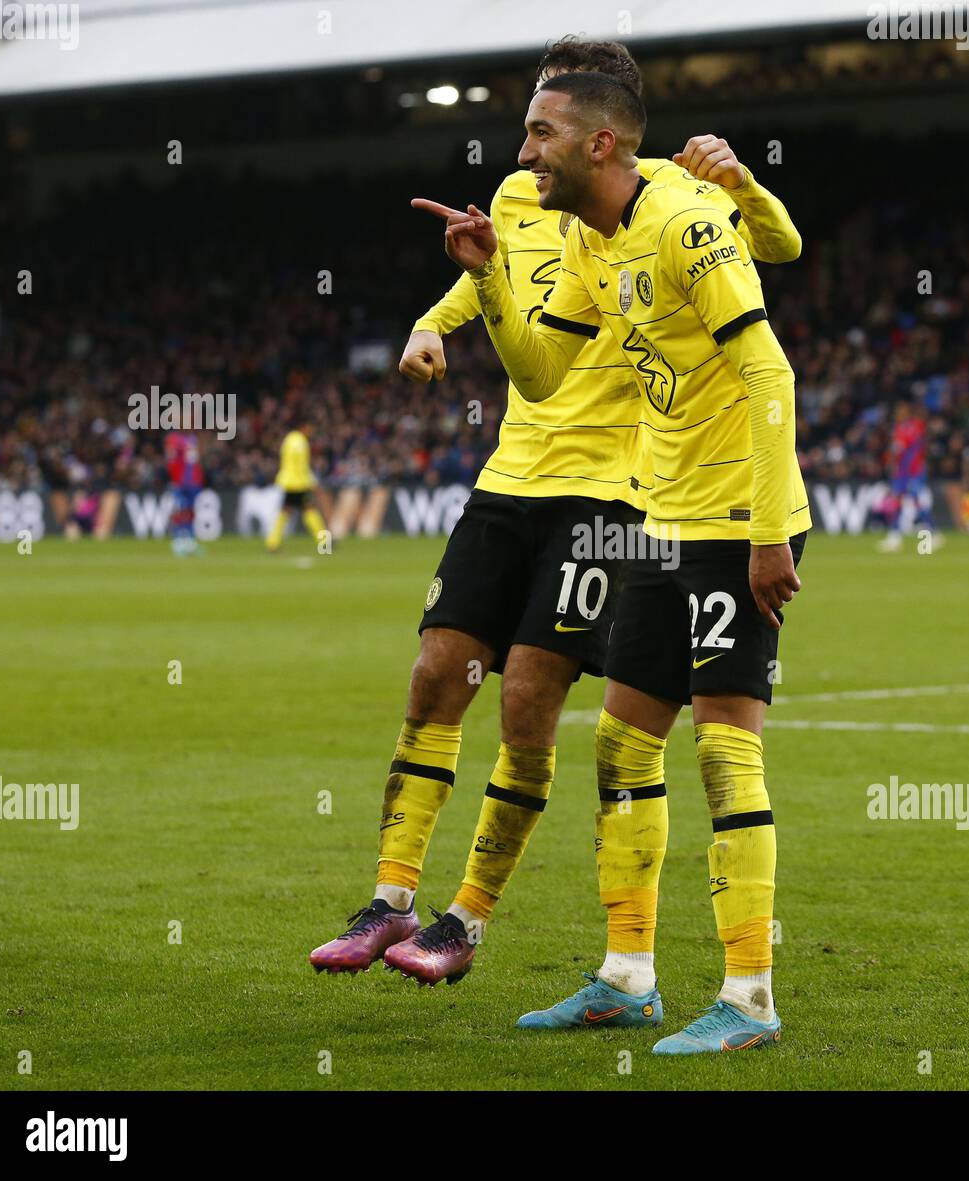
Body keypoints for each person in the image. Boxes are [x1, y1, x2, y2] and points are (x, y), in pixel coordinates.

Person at [309, 37, 801, 985]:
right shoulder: (539, 207)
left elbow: (775, 260)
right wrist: (455, 301)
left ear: (602, 137)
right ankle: (399, 899)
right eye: (527, 125)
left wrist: (742, 182)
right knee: (438, 675)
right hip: (516, 477)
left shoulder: (671, 200)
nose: (525, 147)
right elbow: (531, 359)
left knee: (538, 698)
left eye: (542, 127)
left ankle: (470, 920)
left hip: (624, 491)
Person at [878, 401, 941, 551]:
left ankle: (935, 532)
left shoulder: (915, 426)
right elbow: (897, 451)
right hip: (901, 472)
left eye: (901, 412)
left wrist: (915, 467)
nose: (898, 415)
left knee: (917, 502)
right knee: (897, 503)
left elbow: (914, 449)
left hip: (913, 472)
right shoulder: (899, 429)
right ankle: (894, 537)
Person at [266, 423, 327, 552]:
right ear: (303, 427)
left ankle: (272, 543)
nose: (311, 431)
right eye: (309, 428)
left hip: (288, 482)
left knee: (285, 512)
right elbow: (301, 465)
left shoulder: (289, 439)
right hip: (299, 483)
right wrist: (311, 482)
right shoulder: (300, 442)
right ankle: (325, 543)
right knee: (311, 511)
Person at [164, 430, 204, 556]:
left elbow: (195, 460)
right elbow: (171, 458)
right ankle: (178, 541)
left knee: (191, 512)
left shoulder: (192, 438)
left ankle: (190, 542)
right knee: (181, 510)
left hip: (194, 481)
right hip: (180, 481)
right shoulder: (173, 439)